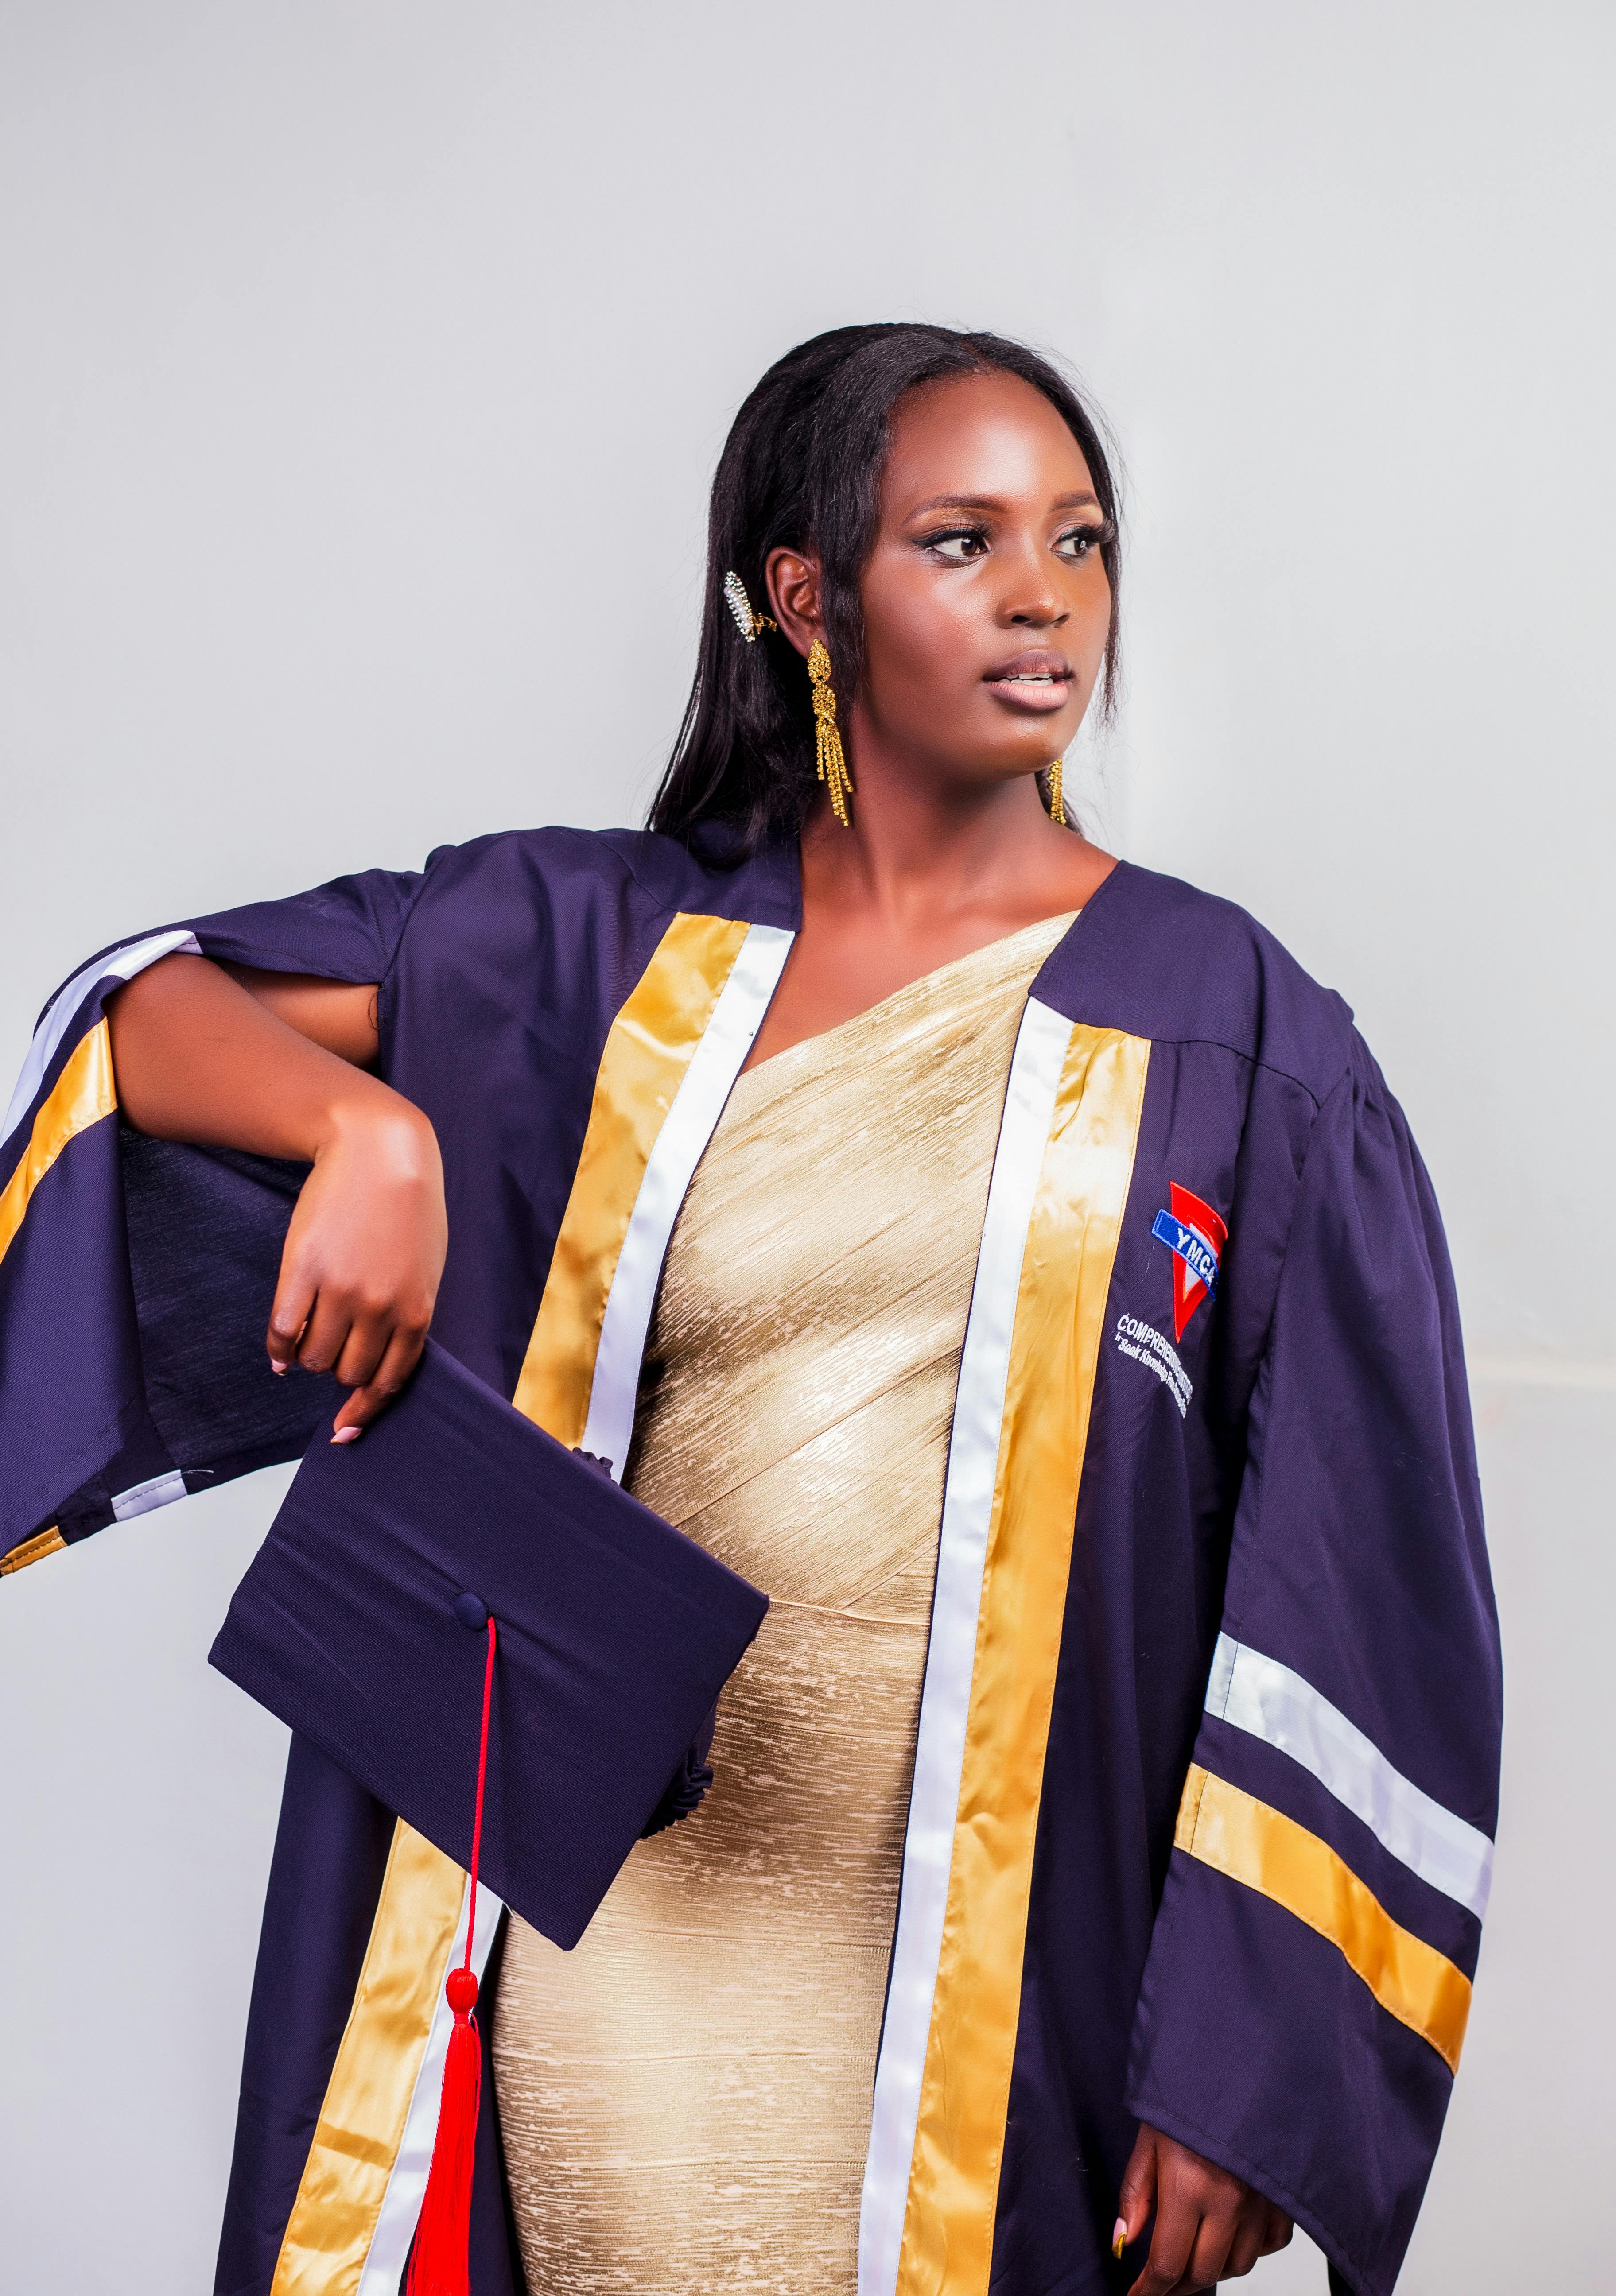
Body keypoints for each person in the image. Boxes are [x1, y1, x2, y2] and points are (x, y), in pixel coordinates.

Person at [0, 325, 1499, 2296]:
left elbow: (1357, 1556)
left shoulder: (1238, 1038)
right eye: (960, 542)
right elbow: (145, 1012)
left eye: (1080, 540)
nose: (1044, 596)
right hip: (626, 1928)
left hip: (993, 1951)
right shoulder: (604, 948)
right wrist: (358, 1129)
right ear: (809, 598)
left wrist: (1247, 2068)